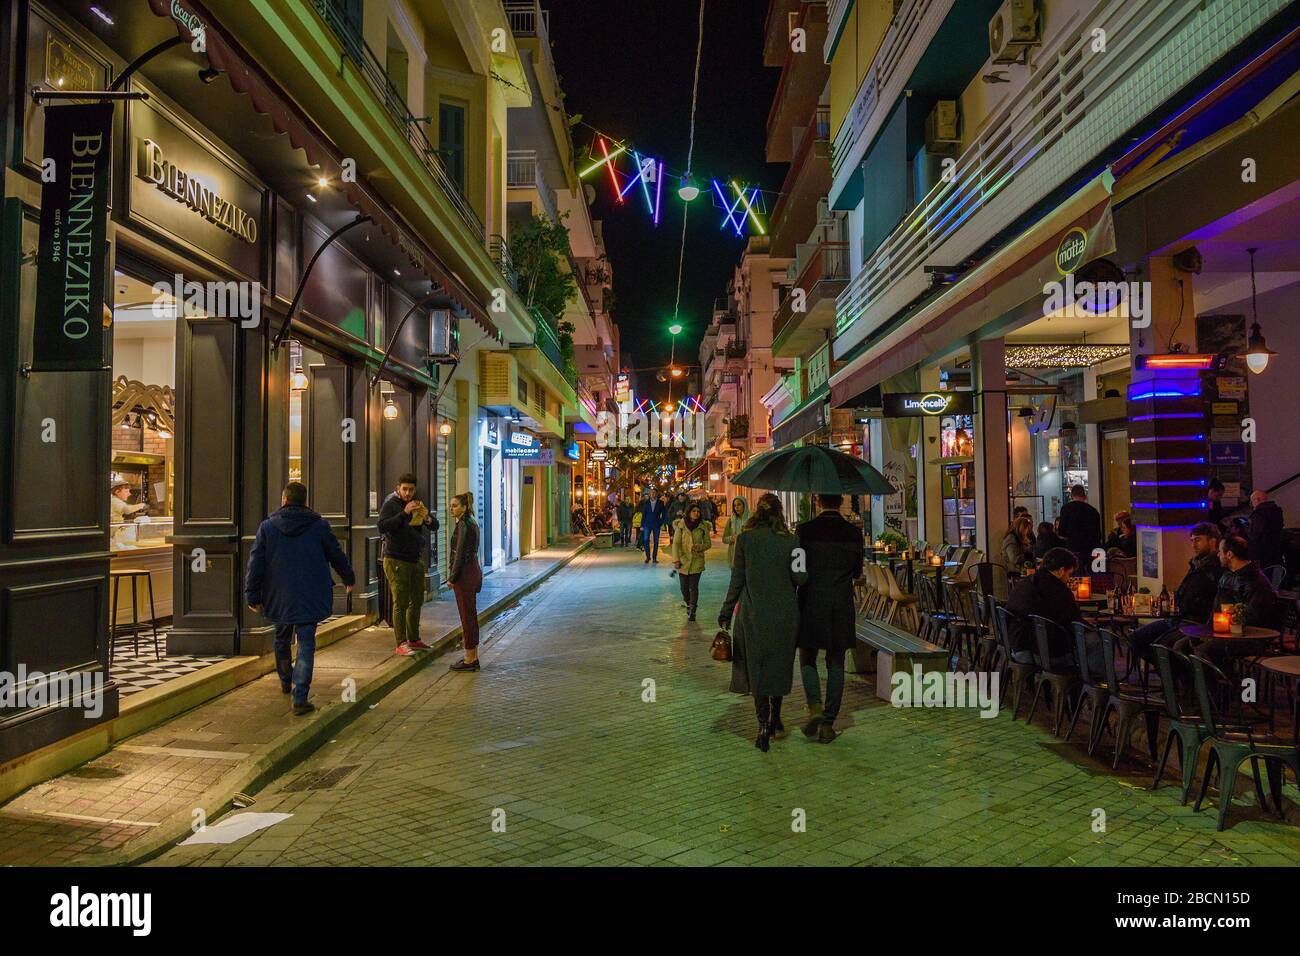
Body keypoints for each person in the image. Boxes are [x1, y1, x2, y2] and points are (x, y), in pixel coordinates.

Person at [245, 482, 355, 715]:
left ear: (284, 500)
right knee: (306, 642)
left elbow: (256, 563)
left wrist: (252, 594)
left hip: (279, 594)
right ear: (305, 502)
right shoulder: (319, 526)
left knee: (282, 637)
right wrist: (348, 577)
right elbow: (336, 554)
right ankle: (300, 695)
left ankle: (286, 679)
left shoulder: (267, 527)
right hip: (310, 593)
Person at [719, 494, 808, 753]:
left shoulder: (746, 540)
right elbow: (801, 578)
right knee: (779, 666)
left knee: (757, 666)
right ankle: (776, 717)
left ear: (757, 512)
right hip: (784, 615)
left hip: (753, 614)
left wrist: (726, 610)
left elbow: (737, 578)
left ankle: (762, 724)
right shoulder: (793, 541)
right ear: (780, 513)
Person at [795, 493, 864, 744]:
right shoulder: (853, 533)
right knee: (836, 661)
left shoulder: (804, 530)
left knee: (807, 657)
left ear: (819, 501)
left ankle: (814, 705)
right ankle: (828, 722)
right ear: (840, 501)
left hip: (811, 601)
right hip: (840, 603)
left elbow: (797, 570)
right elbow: (857, 571)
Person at [1175, 534, 1281, 662]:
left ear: (1229, 554)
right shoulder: (1227, 576)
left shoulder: (1256, 582)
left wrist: (1219, 630)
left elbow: (1253, 618)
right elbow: (1217, 607)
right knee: (1180, 647)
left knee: (1202, 652)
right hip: (1223, 632)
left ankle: (1220, 681)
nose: (1218, 555)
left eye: (1220, 552)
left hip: (1249, 637)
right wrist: (1208, 630)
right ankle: (1194, 681)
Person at [1127, 522, 1221, 663]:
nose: (1193, 545)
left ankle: (1175, 678)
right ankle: (1168, 676)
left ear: (1212, 541)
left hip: (1193, 621)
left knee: (1161, 648)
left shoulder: (1216, 567)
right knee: (1135, 638)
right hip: (1177, 618)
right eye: (1192, 541)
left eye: (1198, 540)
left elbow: (1202, 599)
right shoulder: (1196, 564)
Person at [377, 472, 438, 656]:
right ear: (398, 488)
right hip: (396, 559)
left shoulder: (417, 504)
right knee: (400, 601)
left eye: (411, 489)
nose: (408, 493)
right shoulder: (391, 505)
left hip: (415, 559)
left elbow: (434, 526)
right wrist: (404, 513)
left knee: (417, 600)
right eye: (405, 489)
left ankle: (414, 638)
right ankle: (400, 642)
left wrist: (426, 517)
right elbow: (383, 526)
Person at [1004, 547, 1086, 670]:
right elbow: (1074, 623)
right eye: (1069, 574)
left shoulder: (1025, 583)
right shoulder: (1060, 590)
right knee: (1095, 641)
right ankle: (1095, 683)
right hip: (1041, 654)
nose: (1068, 579)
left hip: (1016, 645)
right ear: (1061, 570)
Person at [447, 492, 483, 672]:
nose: (451, 509)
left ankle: (469, 658)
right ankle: (473, 655)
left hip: (465, 574)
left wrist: (452, 577)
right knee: (470, 615)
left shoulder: (463, 523)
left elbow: (459, 553)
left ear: (464, 507)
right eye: (450, 506)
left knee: (467, 616)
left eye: (454, 506)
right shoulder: (472, 521)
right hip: (472, 570)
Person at [670, 502, 711, 621]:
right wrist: (676, 559)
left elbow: (708, 543)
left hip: (697, 560)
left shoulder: (703, 526)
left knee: (693, 587)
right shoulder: (681, 525)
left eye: (698, 512)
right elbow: (676, 544)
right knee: (684, 588)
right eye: (694, 511)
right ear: (689, 512)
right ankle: (688, 604)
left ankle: (693, 610)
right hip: (683, 560)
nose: (696, 513)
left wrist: (700, 547)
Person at [1057, 485, 1102, 571]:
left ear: (1071, 496)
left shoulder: (1066, 509)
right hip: (1090, 551)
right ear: (1085, 496)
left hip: (1072, 549)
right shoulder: (1093, 511)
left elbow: (1061, 532)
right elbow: (1098, 535)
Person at [1246, 489, 1285, 571]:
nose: (1252, 505)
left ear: (1257, 500)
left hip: (1261, 553)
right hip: (1276, 550)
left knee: (1264, 577)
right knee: (1274, 576)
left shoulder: (1259, 514)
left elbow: (1254, 535)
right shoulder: (1276, 511)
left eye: (1252, 501)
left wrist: (1246, 527)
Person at [721, 496, 750, 568]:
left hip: (748, 556)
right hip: (734, 555)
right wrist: (732, 538)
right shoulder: (731, 520)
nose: (736, 507)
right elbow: (724, 539)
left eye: (739, 504)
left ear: (744, 505)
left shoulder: (751, 520)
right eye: (735, 505)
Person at [641, 492, 666, 563]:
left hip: (656, 524)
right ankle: (647, 557)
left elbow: (664, 513)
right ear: (650, 494)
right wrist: (642, 525)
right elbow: (644, 514)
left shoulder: (660, 502)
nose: (653, 494)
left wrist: (661, 523)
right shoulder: (646, 502)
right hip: (647, 524)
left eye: (654, 493)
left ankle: (654, 557)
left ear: (656, 494)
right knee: (646, 540)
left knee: (656, 541)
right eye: (652, 493)